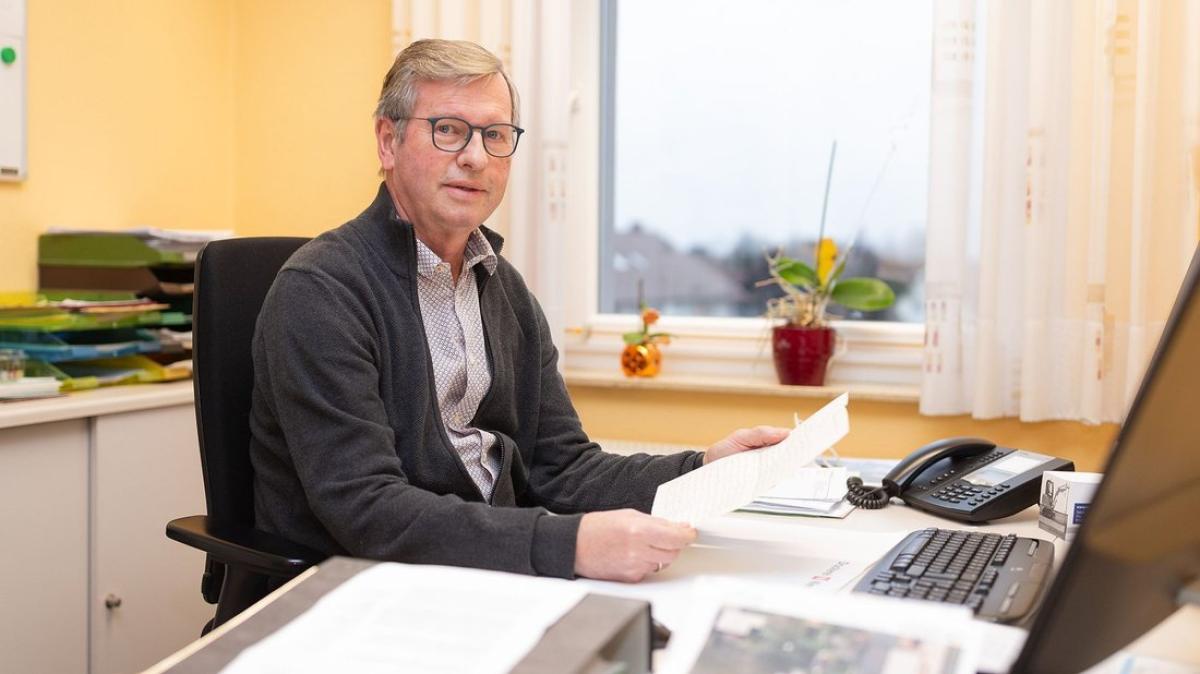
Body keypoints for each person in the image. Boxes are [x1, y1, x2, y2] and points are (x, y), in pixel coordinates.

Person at [248, 38, 788, 583]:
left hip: (478, 576)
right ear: (388, 142)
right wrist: (567, 545)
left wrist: (702, 472)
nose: (476, 157)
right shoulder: (321, 290)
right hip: (354, 598)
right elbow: (367, 509)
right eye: (448, 129)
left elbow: (563, 467)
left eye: (495, 135)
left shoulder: (504, 290)